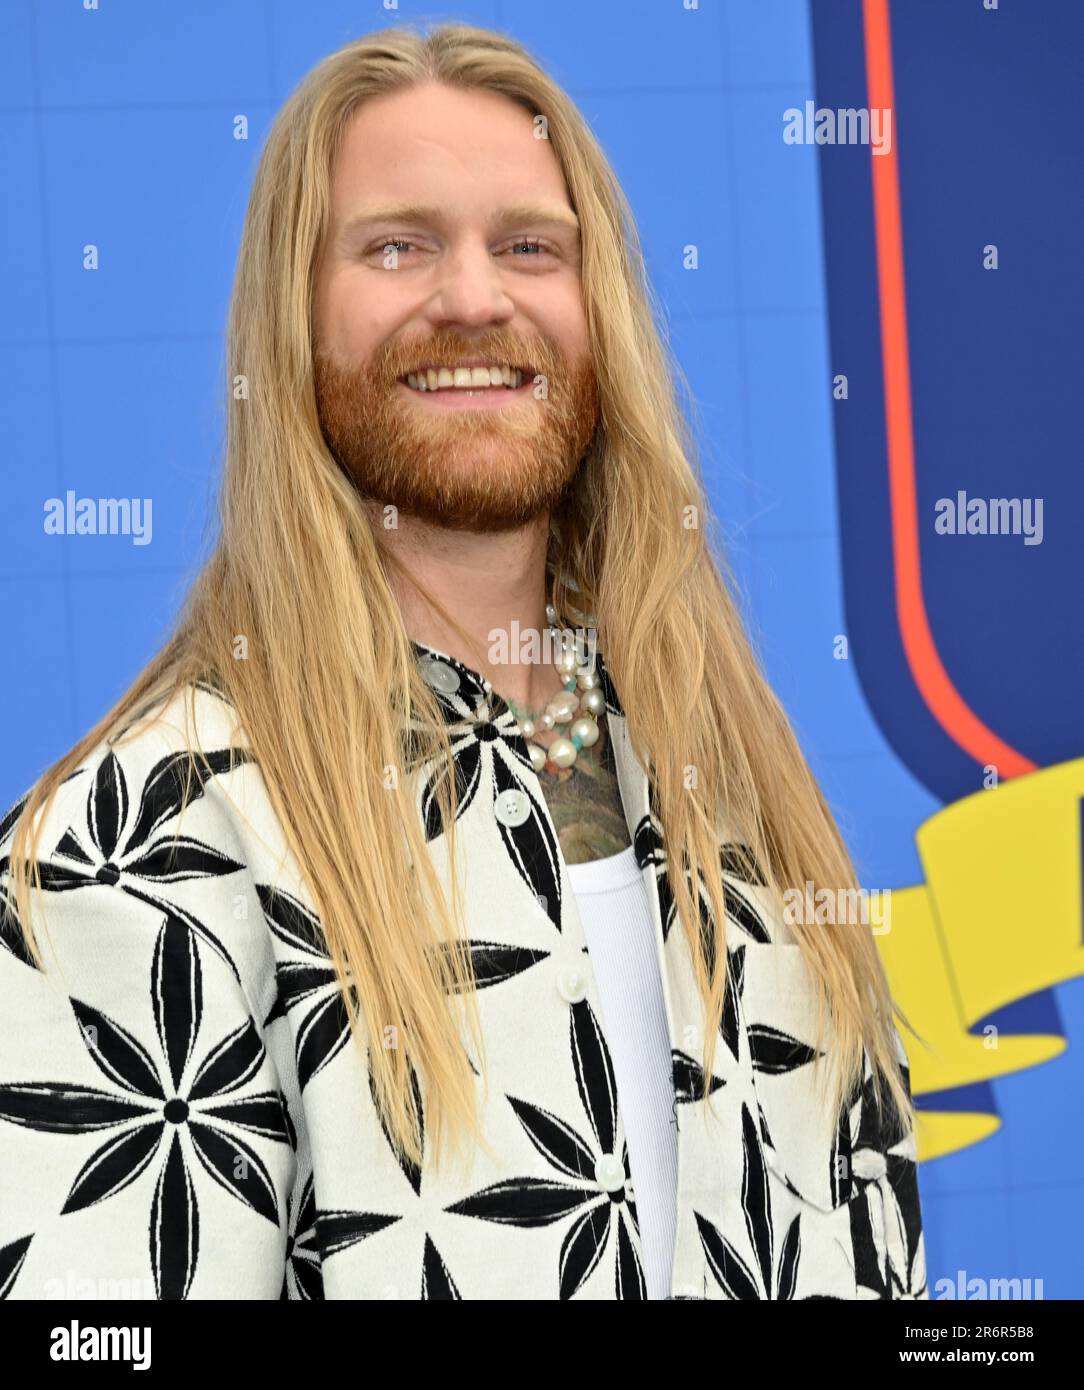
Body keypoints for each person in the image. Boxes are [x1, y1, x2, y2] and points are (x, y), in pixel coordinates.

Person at [0, 22, 926, 1301]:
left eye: (530, 246)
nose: (476, 297)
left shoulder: (743, 802)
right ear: (293, 316)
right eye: (398, 245)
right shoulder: (134, 844)